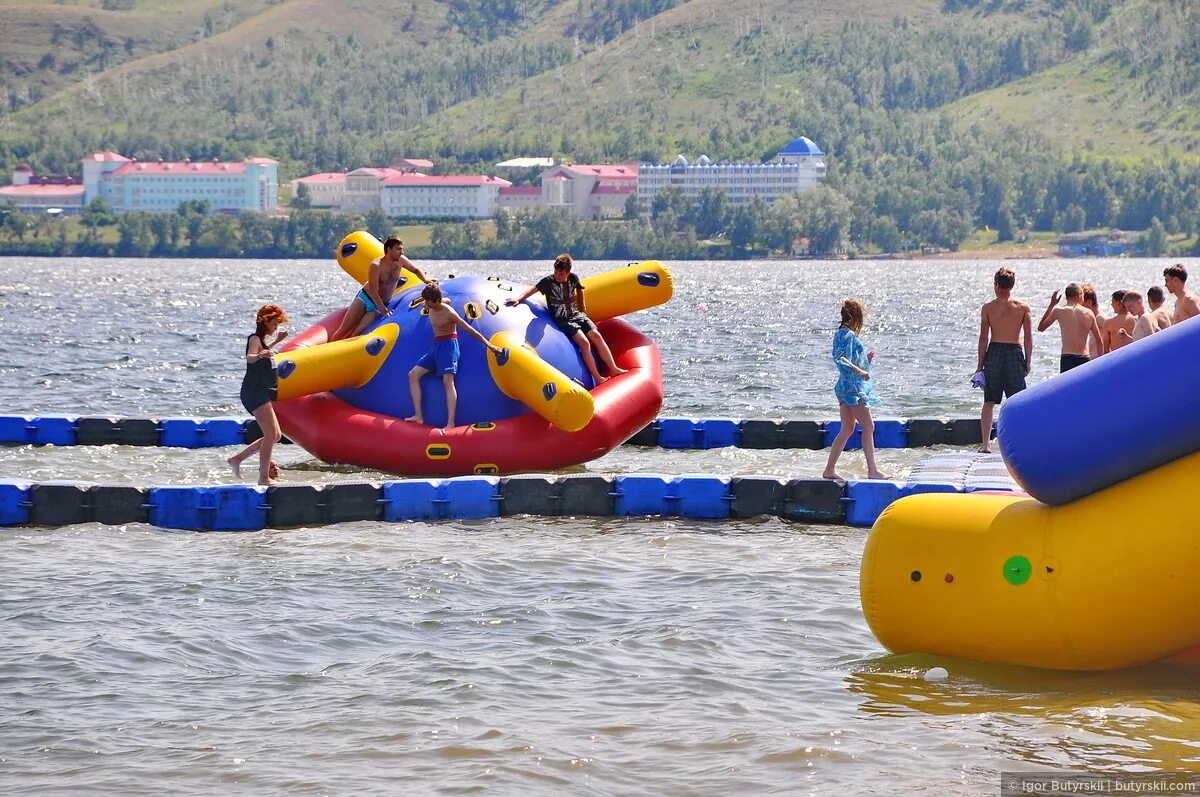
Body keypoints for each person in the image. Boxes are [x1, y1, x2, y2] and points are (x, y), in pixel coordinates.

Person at [505, 253, 628, 384]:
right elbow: (532, 290)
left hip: (576, 314)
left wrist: (583, 309)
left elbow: (580, 290)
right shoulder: (548, 282)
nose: (557, 276)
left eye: (561, 274)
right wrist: (518, 299)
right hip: (562, 319)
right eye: (556, 272)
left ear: (568, 273)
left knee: (596, 336)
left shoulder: (573, 279)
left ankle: (614, 368)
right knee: (584, 343)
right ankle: (598, 378)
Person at [406, 282, 502, 431]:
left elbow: (470, 329)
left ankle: (450, 423)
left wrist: (490, 345)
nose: (426, 304)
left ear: (436, 300)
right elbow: (446, 300)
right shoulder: (434, 304)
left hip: (449, 346)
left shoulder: (449, 313)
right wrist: (436, 299)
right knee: (413, 374)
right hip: (436, 346)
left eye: (428, 301)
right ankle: (418, 416)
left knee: (447, 381)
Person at [823, 299, 887, 482]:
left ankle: (829, 470)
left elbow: (848, 358)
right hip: (852, 388)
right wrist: (859, 370)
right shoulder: (848, 335)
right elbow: (841, 359)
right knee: (868, 426)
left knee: (847, 428)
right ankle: (873, 471)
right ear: (854, 317)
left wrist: (865, 360)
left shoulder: (840, 334)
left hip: (844, 386)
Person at [227, 305, 288, 485]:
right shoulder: (254, 338)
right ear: (266, 321)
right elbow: (250, 357)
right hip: (254, 392)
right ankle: (263, 478)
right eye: (275, 323)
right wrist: (260, 355)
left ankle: (237, 459)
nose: (275, 327)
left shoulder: (260, 341)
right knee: (270, 434)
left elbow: (262, 351)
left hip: (260, 392)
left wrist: (276, 342)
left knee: (275, 435)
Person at [975, 267, 1032, 454]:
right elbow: (1029, 338)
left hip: (995, 352)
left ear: (997, 285)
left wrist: (979, 365)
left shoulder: (988, 308)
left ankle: (985, 444)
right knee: (1018, 401)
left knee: (989, 400)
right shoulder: (1023, 307)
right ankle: (1022, 442)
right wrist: (1028, 361)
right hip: (1014, 351)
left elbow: (984, 338)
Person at [330, 236, 428, 341]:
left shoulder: (401, 261)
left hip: (378, 306)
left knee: (357, 333)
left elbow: (416, 270)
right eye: (398, 249)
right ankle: (327, 350)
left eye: (402, 249)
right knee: (343, 330)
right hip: (366, 298)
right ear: (389, 250)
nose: (402, 252)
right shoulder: (376, 265)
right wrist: (384, 310)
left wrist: (426, 281)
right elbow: (373, 291)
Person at [1037, 283, 1103, 372]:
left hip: (1067, 358)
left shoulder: (1058, 311)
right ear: (1079, 295)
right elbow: (1099, 340)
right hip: (1084, 357)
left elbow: (1041, 328)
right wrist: (1101, 362)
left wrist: (1052, 305)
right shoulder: (1089, 313)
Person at [1101, 289, 1135, 354]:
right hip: (1132, 356)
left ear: (1119, 303)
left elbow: (1105, 349)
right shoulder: (1134, 319)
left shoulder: (1109, 323)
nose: (1111, 304)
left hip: (1117, 358)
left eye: (1113, 301)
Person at [1081, 283, 1105, 359]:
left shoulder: (1100, 318)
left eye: (1082, 305)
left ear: (1089, 302)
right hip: (1094, 359)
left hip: (1098, 359)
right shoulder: (1094, 318)